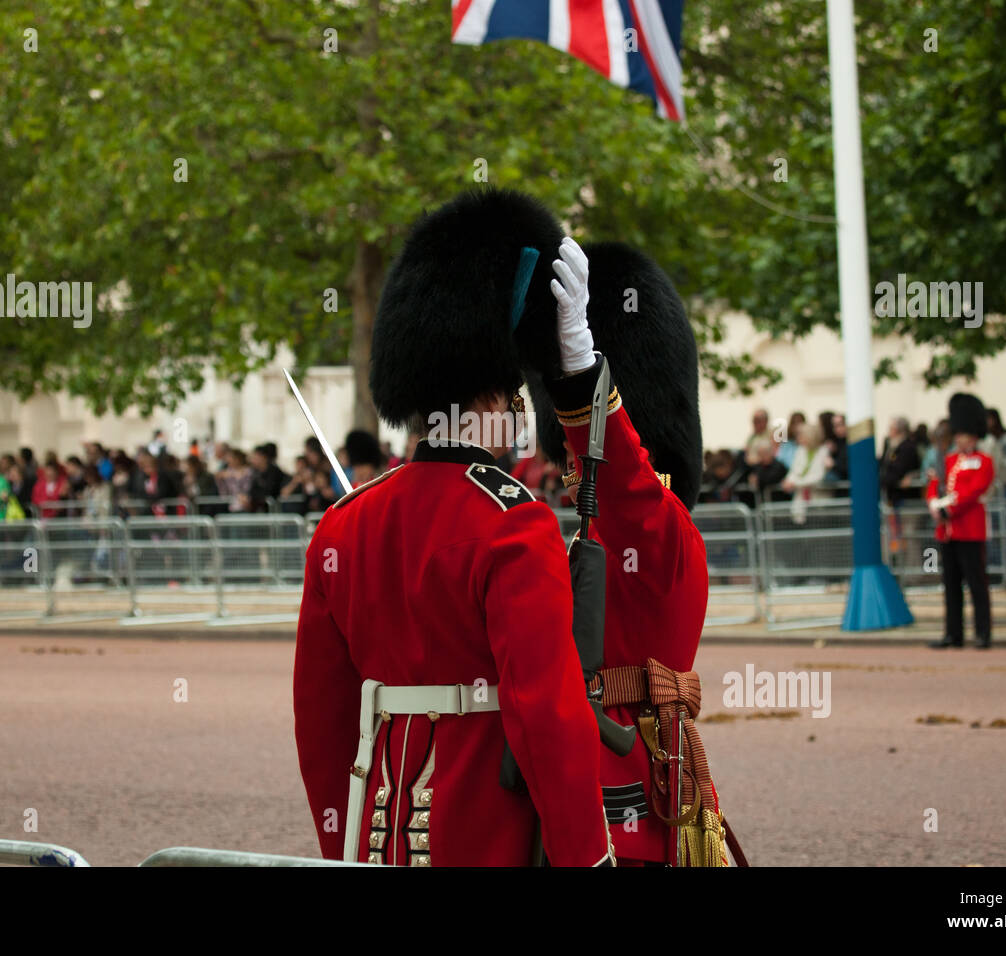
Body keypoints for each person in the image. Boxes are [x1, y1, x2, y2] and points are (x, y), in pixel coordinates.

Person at [295, 189, 612, 867]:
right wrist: (587, 858)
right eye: (516, 397)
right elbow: (548, 720)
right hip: (482, 836)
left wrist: (343, 841)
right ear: (494, 394)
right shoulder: (513, 524)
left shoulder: (341, 526)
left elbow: (321, 726)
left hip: (373, 836)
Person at [525, 240, 739, 867]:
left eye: (571, 456)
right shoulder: (589, 536)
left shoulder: (659, 529)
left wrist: (581, 371)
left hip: (633, 797)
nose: (566, 471)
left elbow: (619, 475)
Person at [927, 394, 994, 650]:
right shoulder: (949, 460)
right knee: (951, 585)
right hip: (948, 532)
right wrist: (934, 503)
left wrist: (948, 508)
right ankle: (953, 633)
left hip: (970, 530)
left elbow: (974, 491)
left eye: (963, 434)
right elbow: (935, 485)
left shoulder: (984, 462)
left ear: (974, 436)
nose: (958, 439)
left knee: (977, 584)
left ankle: (982, 633)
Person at [783, 422, 829, 524]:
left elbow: (818, 476)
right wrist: (788, 480)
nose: (798, 438)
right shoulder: (800, 451)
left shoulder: (823, 451)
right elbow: (794, 471)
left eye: (801, 435)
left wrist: (794, 483)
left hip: (817, 500)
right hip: (800, 500)